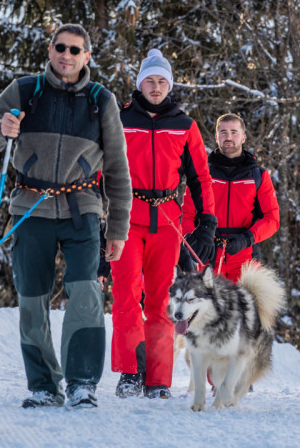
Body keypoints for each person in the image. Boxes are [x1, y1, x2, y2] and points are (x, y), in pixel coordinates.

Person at [0, 24, 131, 409]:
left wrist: (118, 228)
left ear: (87, 57)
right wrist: (1, 129)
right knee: (32, 299)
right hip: (31, 208)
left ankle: (81, 383)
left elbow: (117, 168)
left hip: (83, 209)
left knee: (86, 295)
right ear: (50, 49)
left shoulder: (100, 99)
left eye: (75, 50)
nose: (66, 55)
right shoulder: (24, 90)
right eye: (60, 48)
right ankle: (43, 384)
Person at [111, 49, 217, 399]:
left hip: (167, 222)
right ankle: (129, 373)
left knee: (161, 301)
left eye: (162, 81)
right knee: (126, 297)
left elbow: (200, 177)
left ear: (169, 86)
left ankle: (157, 380)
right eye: (149, 80)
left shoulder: (184, 126)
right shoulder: (121, 120)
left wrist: (207, 224)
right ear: (139, 83)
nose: (155, 87)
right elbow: (102, 171)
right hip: (127, 219)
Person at [181, 113, 280, 283]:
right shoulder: (202, 174)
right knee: (209, 309)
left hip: (245, 259)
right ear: (216, 136)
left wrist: (247, 239)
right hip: (208, 257)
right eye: (223, 132)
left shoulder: (258, 175)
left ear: (243, 137)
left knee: (245, 309)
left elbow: (272, 219)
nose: (229, 137)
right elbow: (187, 214)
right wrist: (192, 241)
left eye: (234, 132)